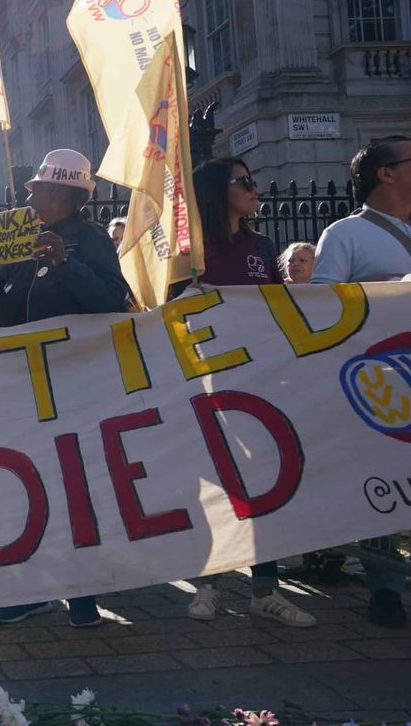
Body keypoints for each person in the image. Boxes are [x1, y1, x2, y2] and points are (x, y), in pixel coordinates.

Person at [0, 148, 129, 629]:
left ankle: (82, 594)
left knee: (74, 487)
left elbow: (112, 300)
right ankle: (31, 590)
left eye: (36, 188)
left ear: (60, 193)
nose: (27, 196)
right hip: (21, 389)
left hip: (73, 388)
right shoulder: (19, 238)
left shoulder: (91, 239)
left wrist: (65, 264)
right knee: (26, 487)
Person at [181, 156, 315, 628]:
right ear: (218, 191)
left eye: (253, 180)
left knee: (264, 481)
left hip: (257, 382)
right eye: (244, 181)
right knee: (216, 484)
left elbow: (278, 310)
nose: (255, 188)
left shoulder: (261, 245)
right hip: (204, 384)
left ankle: (265, 590)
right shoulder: (188, 249)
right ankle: (208, 584)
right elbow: (154, 314)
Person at [311, 135, 411, 628]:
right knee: (385, 482)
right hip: (386, 386)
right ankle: (386, 587)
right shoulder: (345, 235)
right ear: (385, 173)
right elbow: (321, 306)